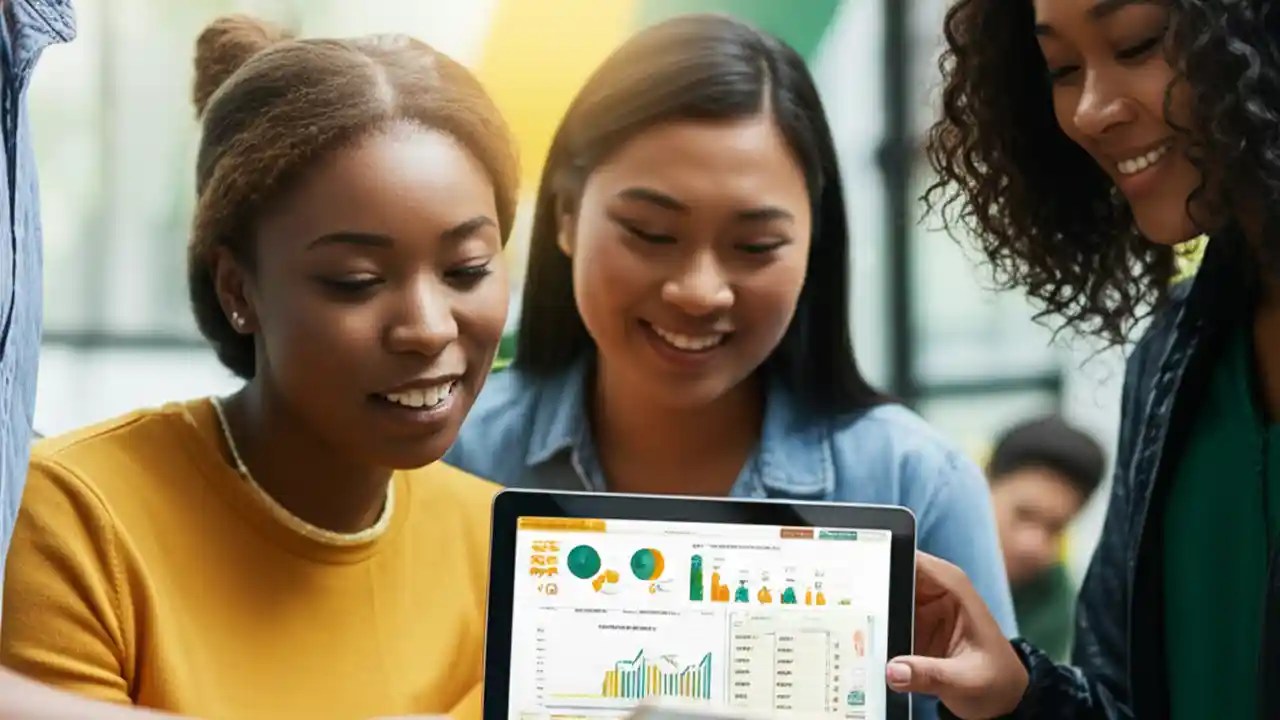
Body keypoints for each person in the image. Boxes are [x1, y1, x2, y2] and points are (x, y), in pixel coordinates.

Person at [444, 14, 1017, 719]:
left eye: (755, 246)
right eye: (651, 234)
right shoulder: (453, 461)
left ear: (814, 246)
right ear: (565, 215)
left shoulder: (917, 482)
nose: (699, 290)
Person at [0, 14, 518, 720]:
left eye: (467, 269)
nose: (428, 328)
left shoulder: (507, 548)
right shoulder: (79, 520)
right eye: (356, 280)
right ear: (238, 290)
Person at [884, 0, 1280, 718]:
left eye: (1138, 45)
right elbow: (1126, 701)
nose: (1090, 111)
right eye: (1062, 68)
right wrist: (1017, 694)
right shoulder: (1171, 362)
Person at [987, 415, 1104, 662]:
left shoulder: (1054, 598)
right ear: (984, 485)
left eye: (1055, 528)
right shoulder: (923, 549)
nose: (1031, 544)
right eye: (1023, 515)